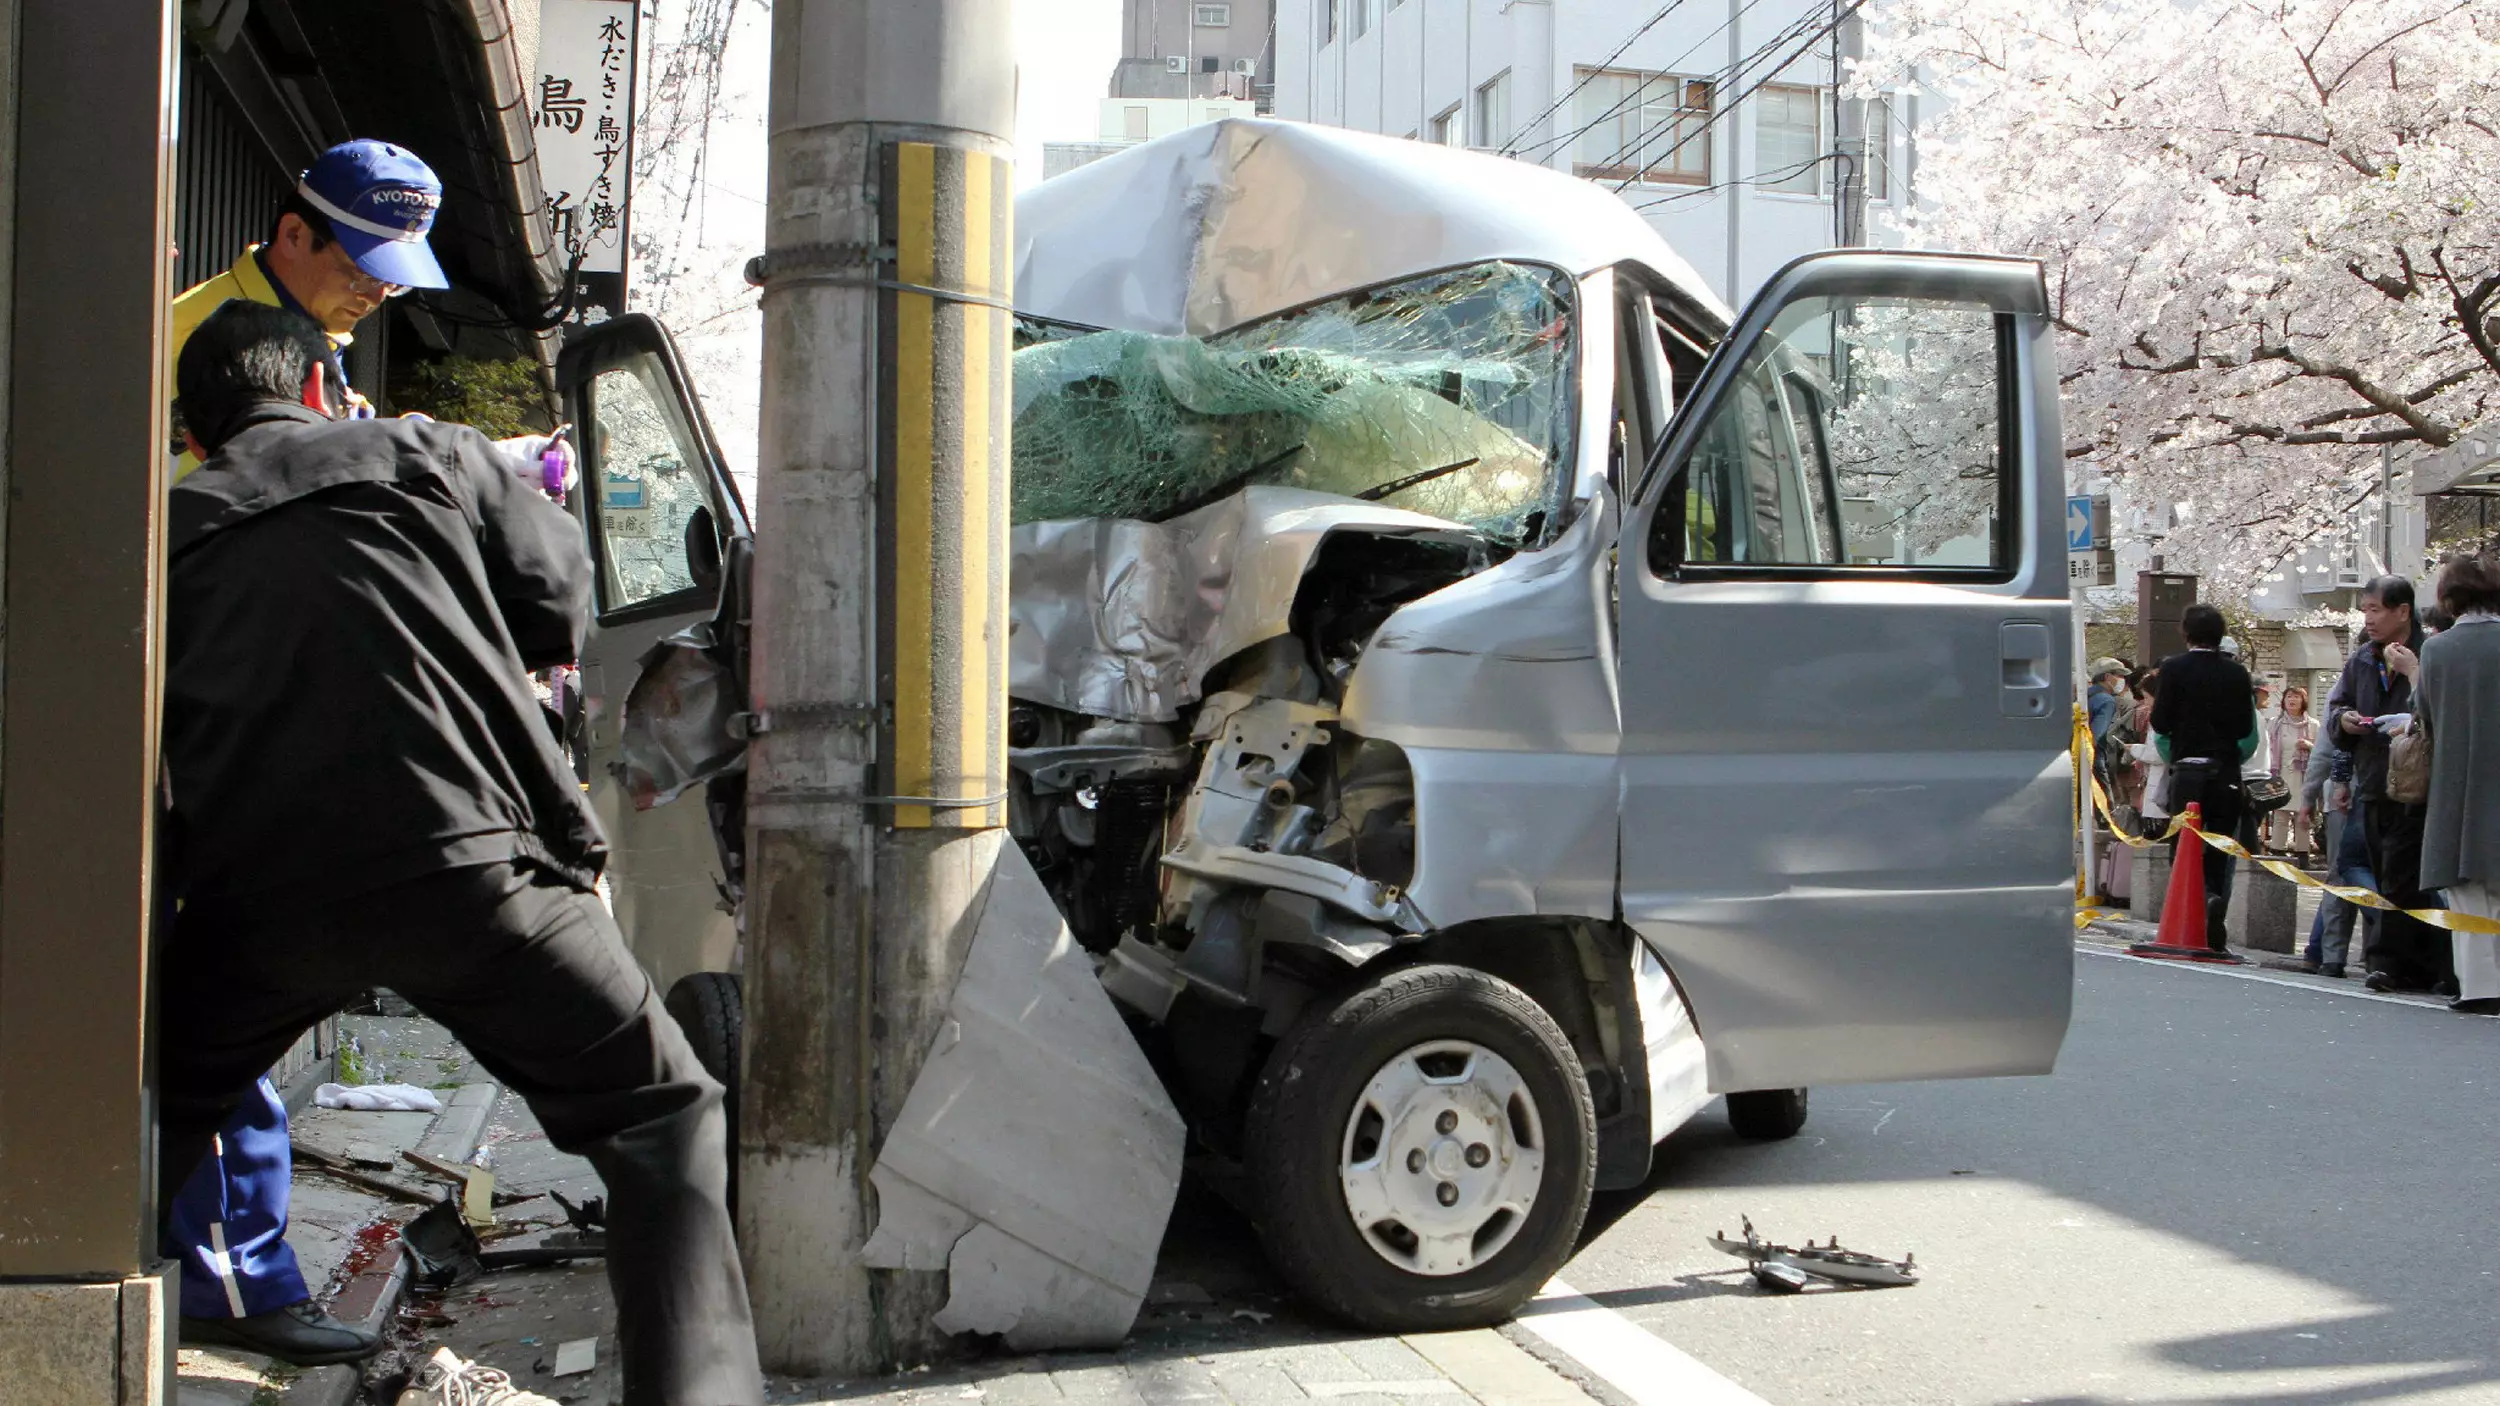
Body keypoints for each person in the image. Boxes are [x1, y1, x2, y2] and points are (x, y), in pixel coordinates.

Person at [158, 302, 761, 1405]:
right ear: (317, 390)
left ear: (196, 435)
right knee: (662, 1113)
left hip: (257, 907)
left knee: (131, 1117)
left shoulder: (165, 529)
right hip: (477, 872)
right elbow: (555, 597)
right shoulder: (418, 448)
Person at [159, 137, 451, 1366]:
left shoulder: (312, 356)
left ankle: (229, 1265)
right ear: (291, 233)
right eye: (363, 261)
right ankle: (234, 1285)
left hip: (251, 715)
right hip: (195, 717)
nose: (380, 288)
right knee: (227, 997)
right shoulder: (195, 345)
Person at [2328, 576, 2454, 995]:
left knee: (2407, 875)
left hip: (2421, 782)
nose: (2369, 618)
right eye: (2365, 609)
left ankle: (2394, 962)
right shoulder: (2362, 657)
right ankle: (2417, 964)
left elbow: (2440, 711)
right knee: (2386, 873)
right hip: (2375, 779)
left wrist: (2412, 675)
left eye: (2376, 609)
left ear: (2403, 611)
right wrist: (2343, 721)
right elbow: (2338, 704)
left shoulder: (2432, 651)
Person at [2415, 556, 2500, 1015]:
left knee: (2466, 888)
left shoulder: (2437, 650)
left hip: (2456, 779)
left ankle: (2480, 987)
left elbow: (2423, 713)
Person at [2150, 603, 2260, 945]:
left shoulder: (2173, 669)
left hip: (2188, 770)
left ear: (2185, 633)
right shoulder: (2237, 674)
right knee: (2220, 845)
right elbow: (2244, 725)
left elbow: (2160, 721)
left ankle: (2188, 912)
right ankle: (2214, 905)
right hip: (2225, 770)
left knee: (2183, 846)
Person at [2266, 686, 2319, 853]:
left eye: (2296, 696)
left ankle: (2303, 856)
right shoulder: (2275, 723)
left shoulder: (2313, 725)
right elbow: (2268, 748)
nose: (2292, 700)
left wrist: (2309, 746)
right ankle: (2277, 854)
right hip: (2281, 774)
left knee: (2301, 816)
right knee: (2280, 815)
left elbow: (2321, 751)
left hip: (2304, 776)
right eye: (2289, 696)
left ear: (2303, 701)